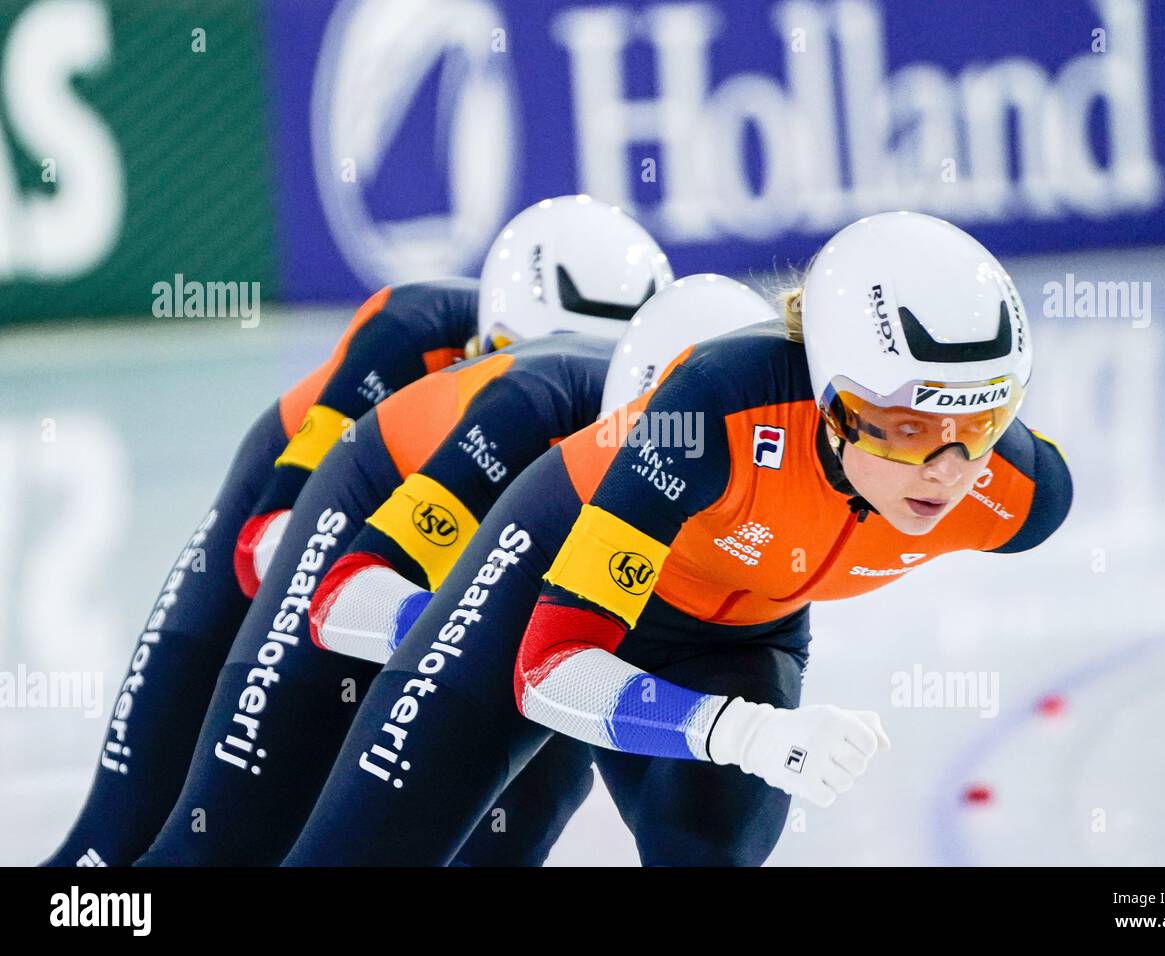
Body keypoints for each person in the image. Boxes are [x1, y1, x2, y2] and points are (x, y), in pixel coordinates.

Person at [283, 212, 1073, 867]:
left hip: (730, 631)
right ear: (830, 400)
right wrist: (741, 730)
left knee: (710, 846)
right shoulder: (714, 411)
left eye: (980, 423)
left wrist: (744, 730)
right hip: (550, 578)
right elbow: (549, 672)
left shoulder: (1020, 495)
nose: (947, 467)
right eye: (906, 428)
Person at [42, 195, 667, 867]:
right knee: (127, 850)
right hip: (311, 557)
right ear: (485, 341)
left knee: (531, 796)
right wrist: (450, 634)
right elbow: (268, 546)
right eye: (519, 357)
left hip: (442, 592)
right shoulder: (408, 335)